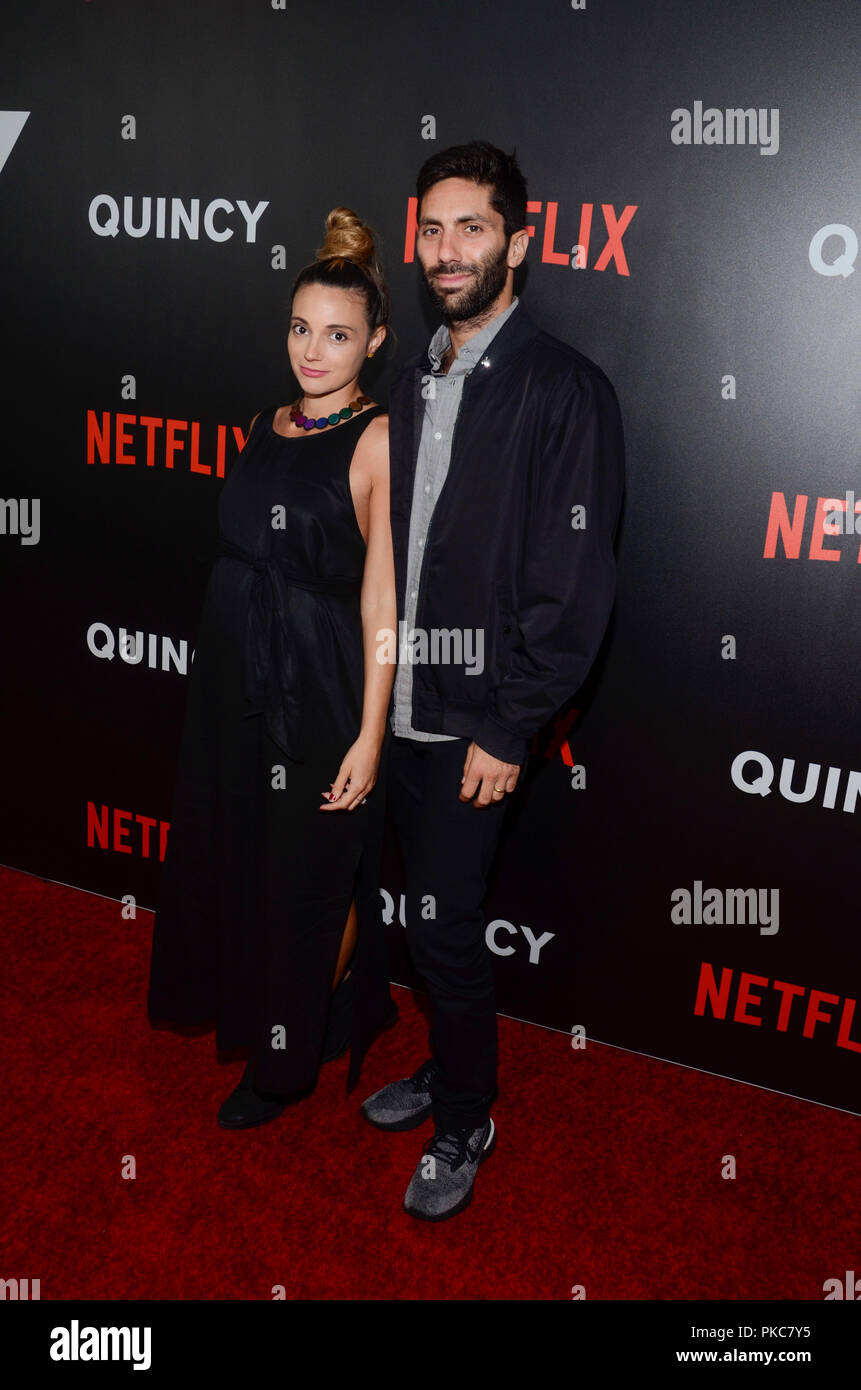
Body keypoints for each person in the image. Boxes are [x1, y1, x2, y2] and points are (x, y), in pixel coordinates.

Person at [361, 141, 626, 1220]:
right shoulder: (419, 376)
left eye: (473, 227)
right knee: (431, 926)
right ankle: (450, 1066)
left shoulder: (566, 389)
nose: (447, 249)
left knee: (445, 926)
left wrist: (511, 725)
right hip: (414, 706)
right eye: (432, 229)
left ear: (519, 241)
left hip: (480, 720)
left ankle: (468, 1114)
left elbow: (573, 582)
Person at [147, 208, 398, 1128]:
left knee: (312, 875)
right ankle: (333, 1001)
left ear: (375, 340)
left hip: (324, 687)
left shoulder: (377, 438)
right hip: (238, 681)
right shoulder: (266, 420)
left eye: (337, 334)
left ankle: (287, 1061)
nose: (313, 350)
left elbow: (382, 604)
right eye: (301, 328)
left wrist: (370, 736)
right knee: (250, 856)